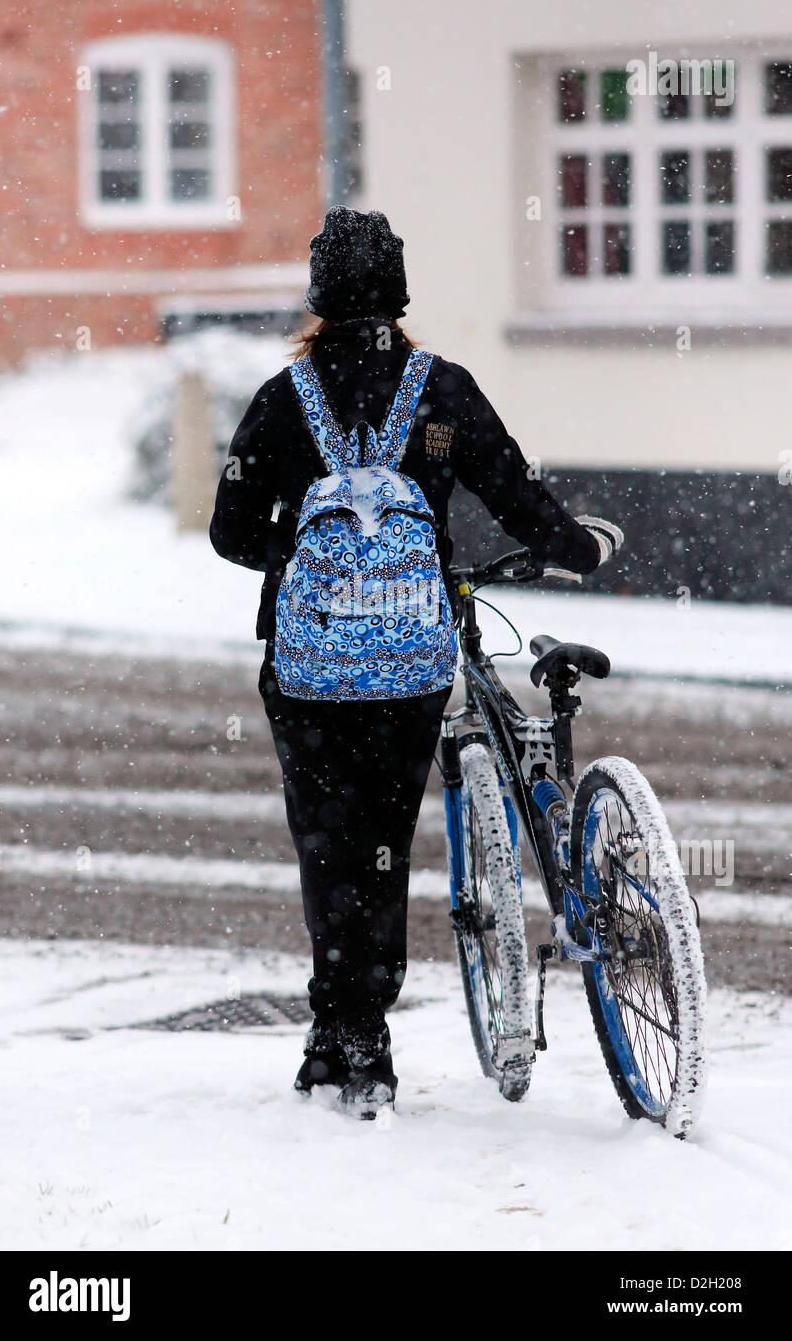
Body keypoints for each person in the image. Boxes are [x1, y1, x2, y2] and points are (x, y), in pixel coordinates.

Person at [209, 206, 622, 1119]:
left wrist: (302, 550)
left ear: (315, 296)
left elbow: (229, 533)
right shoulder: (442, 389)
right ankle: (374, 1035)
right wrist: (578, 550)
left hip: (309, 665)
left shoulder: (281, 399)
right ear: (399, 293)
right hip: (411, 658)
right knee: (386, 840)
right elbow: (517, 498)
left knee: (329, 839)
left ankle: (338, 1037)